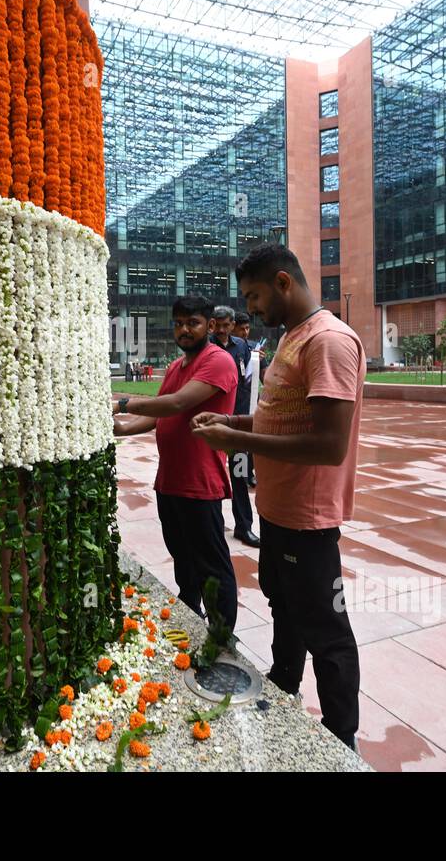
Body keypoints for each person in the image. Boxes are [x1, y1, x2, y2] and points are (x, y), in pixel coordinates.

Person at [191, 244, 365, 752]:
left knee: (326, 632)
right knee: (285, 610)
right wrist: (235, 422)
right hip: (279, 511)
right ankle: (284, 692)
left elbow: (329, 446)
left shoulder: (328, 341)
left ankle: (340, 743)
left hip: (308, 520)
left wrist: (239, 442)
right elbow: (283, 419)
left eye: (255, 295)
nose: (251, 309)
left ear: (284, 282)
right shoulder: (293, 337)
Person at [111, 295, 239, 631]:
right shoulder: (175, 367)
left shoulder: (219, 360)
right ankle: (190, 617)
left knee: (212, 565)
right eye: (179, 323)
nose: (184, 330)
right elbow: (160, 417)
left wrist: (122, 404)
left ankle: (222, 636)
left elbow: (178, 404)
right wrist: (120, 429)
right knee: (184, 561)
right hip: (169, 481)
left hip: (200, 482)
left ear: (210, 326)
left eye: (192, 323)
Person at [209, 305, 257, 547]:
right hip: (211, 420)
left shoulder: (241, 346)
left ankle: (244, 526)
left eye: (226, 324)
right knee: (211, 474)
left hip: (236, 421)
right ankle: (212, 526)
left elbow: (247, 379)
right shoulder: (205, 346)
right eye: (217, 324)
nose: (222, 329)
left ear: (231, 325)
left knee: (239, 473)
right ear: (212, 324)